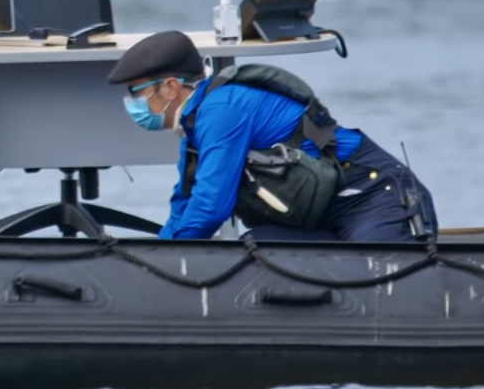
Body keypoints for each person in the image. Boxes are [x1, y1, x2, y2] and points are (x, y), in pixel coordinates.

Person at [107, 30, 437, 242]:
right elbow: (185, 201)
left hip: (371, 193)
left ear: (171, 87)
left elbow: (211, 207)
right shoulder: (193, 127)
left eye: (136, 93)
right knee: (260, 244)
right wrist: (159, 257)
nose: (132, 103)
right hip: (320, 214)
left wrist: (166, 258)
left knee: (374, 275)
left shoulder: (222, 109)